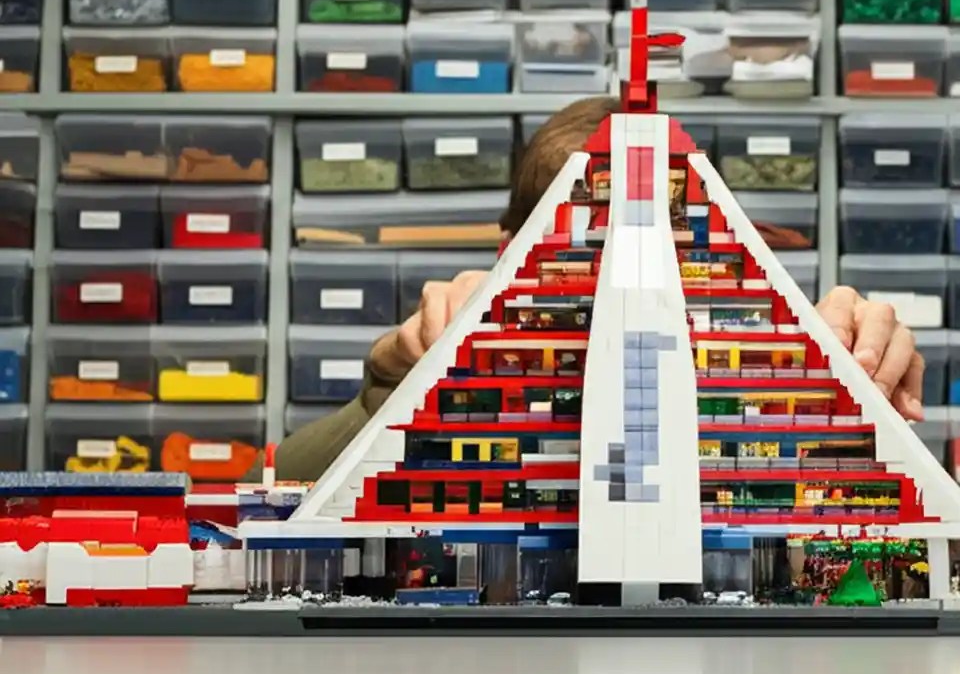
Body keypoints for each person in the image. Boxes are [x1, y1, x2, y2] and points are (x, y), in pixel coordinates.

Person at [275, 97, 924, 482]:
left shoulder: (732, 374)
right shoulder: (467, 378)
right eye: (588, 260)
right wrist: (393, 382)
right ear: (510, 256)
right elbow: (270, 491)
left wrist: (839, 370)